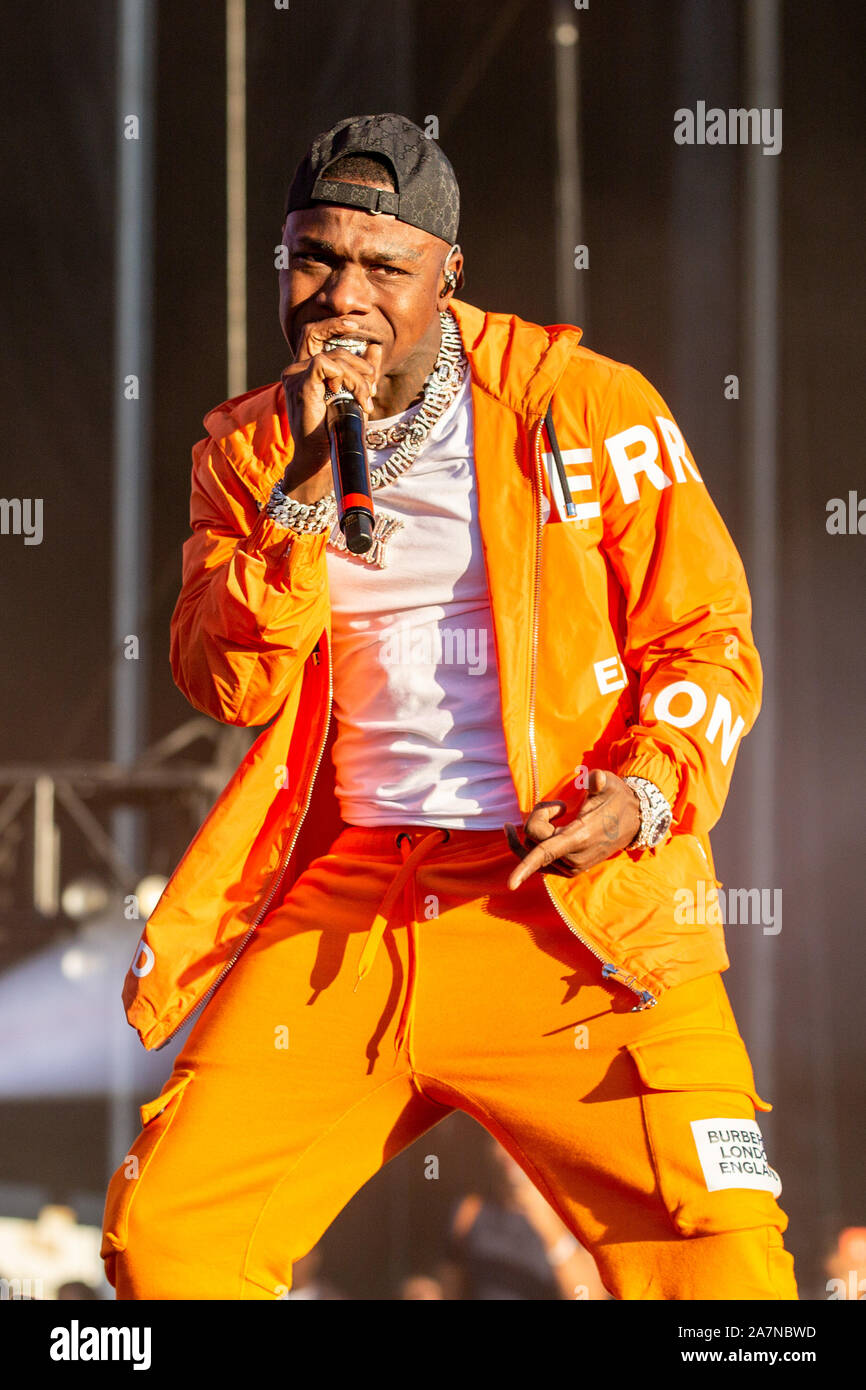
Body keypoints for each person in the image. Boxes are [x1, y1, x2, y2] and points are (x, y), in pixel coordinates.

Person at [101, 113, 798, 1301]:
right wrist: (306, 495)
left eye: (384, 265)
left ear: (447, 274)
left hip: (569, 909)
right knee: (169, 1245)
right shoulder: (247, 451)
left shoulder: (580, 406)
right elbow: (230, 680)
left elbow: (708, 640)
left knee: (719, 1273)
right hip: (353, 912)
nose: (343, 296)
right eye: (316, 258)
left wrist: (639, 795)